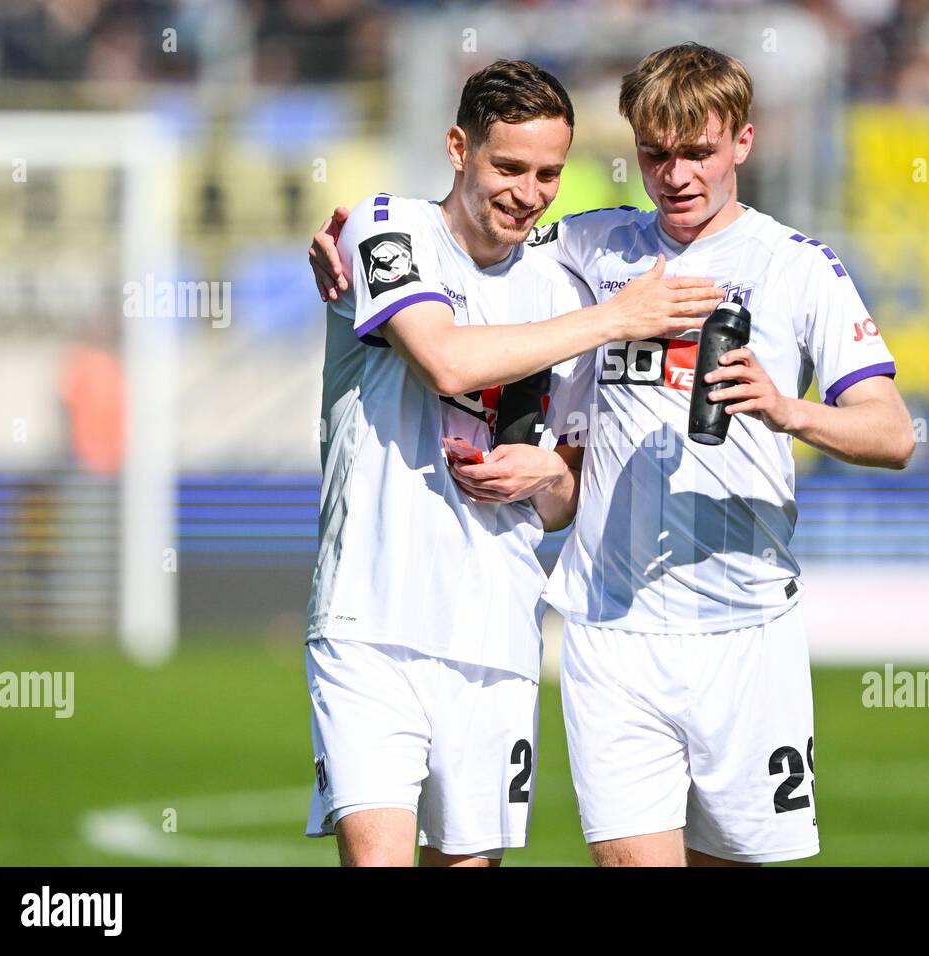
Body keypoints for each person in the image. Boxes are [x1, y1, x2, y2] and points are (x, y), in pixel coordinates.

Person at [309, 44, 915, 867]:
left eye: (698, 152)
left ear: (742, 141)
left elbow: (894, 434)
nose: (676, 175)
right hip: (608, 629)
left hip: (747, 625)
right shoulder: (589, 253)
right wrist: (346, 241)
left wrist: (786, 409)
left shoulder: (794, 268)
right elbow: (470, 252)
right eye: (655, 154)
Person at [304, 58, 724, 867]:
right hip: (369, 617)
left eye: (548, 175)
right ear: (458, 147)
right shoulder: (390, 227)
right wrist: (612, 319)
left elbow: (563, 495)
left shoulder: (560, 288)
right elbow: (446, 362)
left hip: (495, 626)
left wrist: (546, 476)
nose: (528, 194)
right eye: (508, 167)